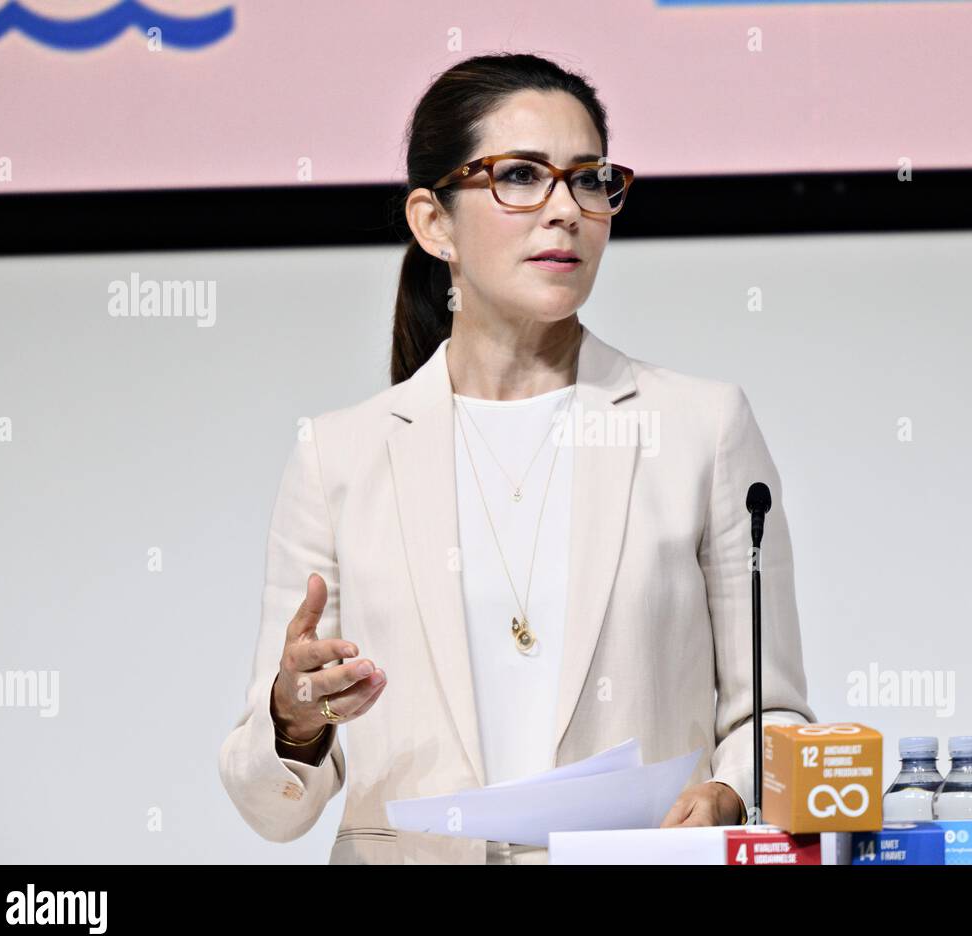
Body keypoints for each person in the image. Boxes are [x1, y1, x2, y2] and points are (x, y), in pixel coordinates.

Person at [219, 52, 815, 864]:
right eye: (523, 176)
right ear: (434, 223)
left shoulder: (700, 428)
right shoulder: (340, 456)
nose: (566, 209)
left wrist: (730, 790)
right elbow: (272, 809)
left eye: (590, 179)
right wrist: (294, 718)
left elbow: (774, 716)